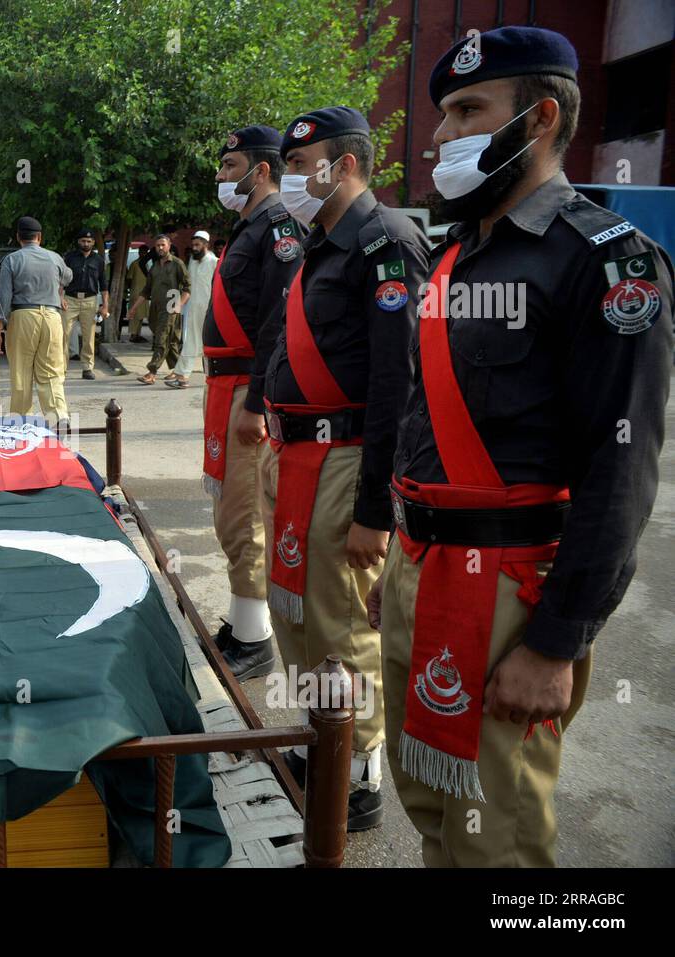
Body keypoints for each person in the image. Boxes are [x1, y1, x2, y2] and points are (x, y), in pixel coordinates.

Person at [370, 27, 672, 867]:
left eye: (468, 109)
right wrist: (396, 561)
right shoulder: (453, 257)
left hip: (509, 597)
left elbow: (622, 467)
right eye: (442, 113)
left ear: (539, 119)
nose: (438, 136)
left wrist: (557, 640)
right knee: (432, 809)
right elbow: (419, 422)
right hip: (420, 572)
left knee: (493, 840)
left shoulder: (606, 263)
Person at [261, 106, 431, 830]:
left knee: (342, 626)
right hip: (297, 457)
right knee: (297, 617)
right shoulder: (320, 243)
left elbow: (400, 382)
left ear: (348, 165)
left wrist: (373, 511)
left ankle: (355, 775)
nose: (292, 177)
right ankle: (317, 738)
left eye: (303, 165)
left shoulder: (385, 242)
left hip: (346, 460)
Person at [200, 126, 304, 681]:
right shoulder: (246, 229)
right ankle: (245, 625)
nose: (221, 177)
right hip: (226, 388)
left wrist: (257, 402)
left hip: (247, 390)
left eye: (230, 165)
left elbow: (276, 325)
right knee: (228, 514)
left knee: (244, 516)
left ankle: (253, 638)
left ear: (260, 171)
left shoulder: (279, 229)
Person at [0, 216, 72, 428]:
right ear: (39, 237)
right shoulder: (54, 258)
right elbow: (68, 277)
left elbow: (3, 297)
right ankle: (58, 416)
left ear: (19, 237)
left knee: (21, 372)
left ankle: (21, 424)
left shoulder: (12, 260)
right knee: (51, 371)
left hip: (23, 316)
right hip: (52, 317)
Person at [129, 234, 190, 385]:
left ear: (169, 246)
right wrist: (134, 308)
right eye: (157, 245)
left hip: (171, 306)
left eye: (163, 245)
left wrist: (179, 305)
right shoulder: (155, 266)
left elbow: (188, 287)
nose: (160, 248)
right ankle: (178, 370)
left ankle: (152, 372)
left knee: (161, 339)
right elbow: (146, 290)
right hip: (155, 307)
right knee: (170, 340)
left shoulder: (177, 264)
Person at [168, 230, 215, 388]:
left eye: (197, 245)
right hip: (192, 308)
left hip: (208, 309)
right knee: (190, 340)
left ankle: (186, 375)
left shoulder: (214, 261)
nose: (194, 248)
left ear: (206, 245)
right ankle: (183, 376)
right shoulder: (193, 262)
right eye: (193, 245)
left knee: (208, 343)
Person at [61, 228, 109, 380]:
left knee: (89, 337)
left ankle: (87, 368)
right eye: (83, 241)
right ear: (78, 242)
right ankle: (61, 368)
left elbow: (104, 285)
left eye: (89, 241)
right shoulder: (69, 258)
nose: (86, 243)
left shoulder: (99, 260)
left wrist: (105, 305)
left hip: (90, 300)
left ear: (93, 242)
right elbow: (61, 280)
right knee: (64, 335)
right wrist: (59, 297)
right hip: (70, 299)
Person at [125, 245, 152, 342]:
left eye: (145, 252)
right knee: (135, 314)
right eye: (141, 252)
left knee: (141, 316)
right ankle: (133, 335)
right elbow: (129, 278)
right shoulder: (135, 264)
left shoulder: (146, 264)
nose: (143, 254)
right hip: (136, 293)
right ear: (139, 252)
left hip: (144, 294)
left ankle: (137, 334)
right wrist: (132, 289)